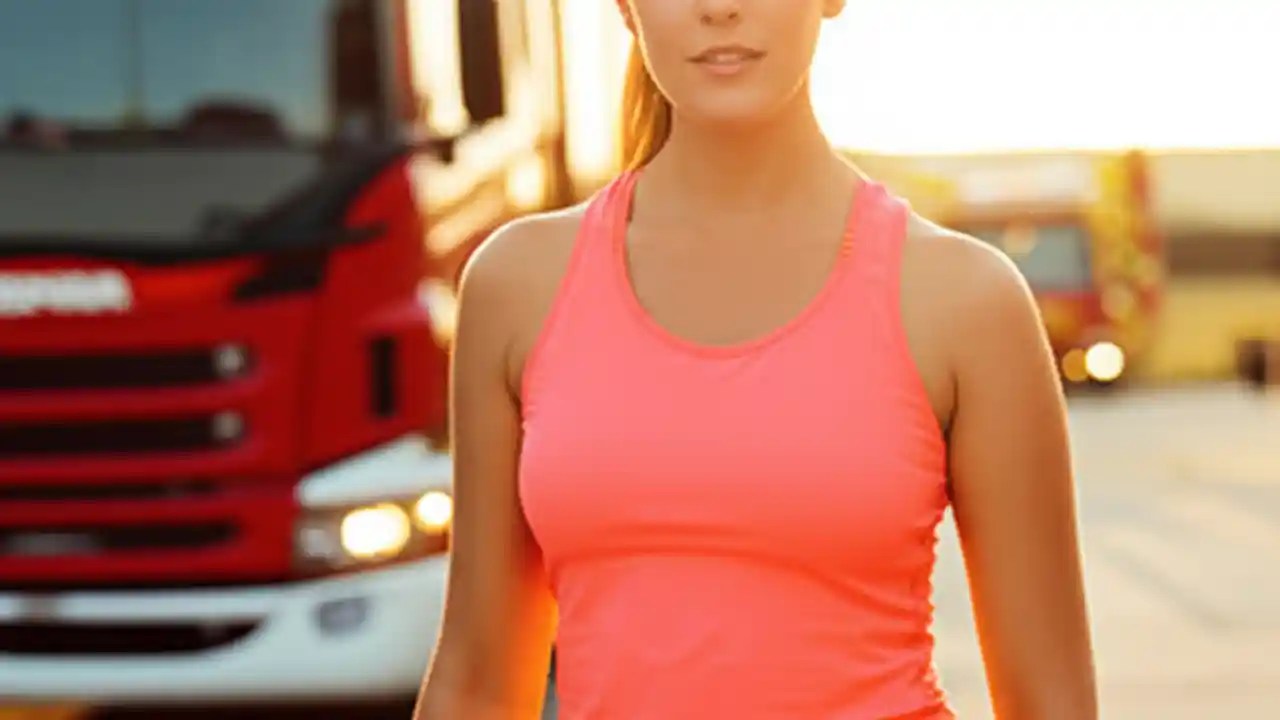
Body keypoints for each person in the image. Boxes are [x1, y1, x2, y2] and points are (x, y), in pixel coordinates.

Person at [416, 1, 1097, 718]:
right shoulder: (517, 286)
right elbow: (477, 685)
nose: (721, 9)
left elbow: (1050, 705)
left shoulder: (963, 299)